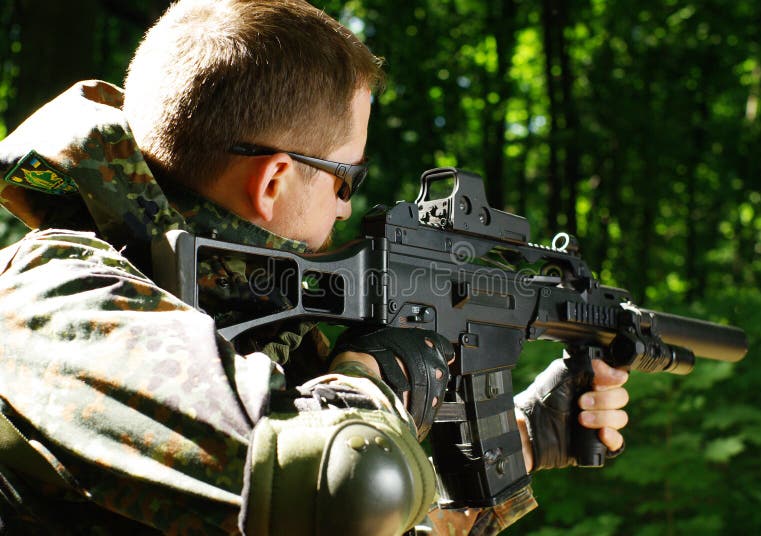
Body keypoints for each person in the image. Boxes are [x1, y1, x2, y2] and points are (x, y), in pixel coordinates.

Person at [0, 1, 629, 534]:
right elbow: (354, 483)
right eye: (346, 180)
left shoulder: (270, 349)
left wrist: (519, 436)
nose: (346, 209)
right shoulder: (54, 297)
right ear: (274, 180)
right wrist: (384, 366)